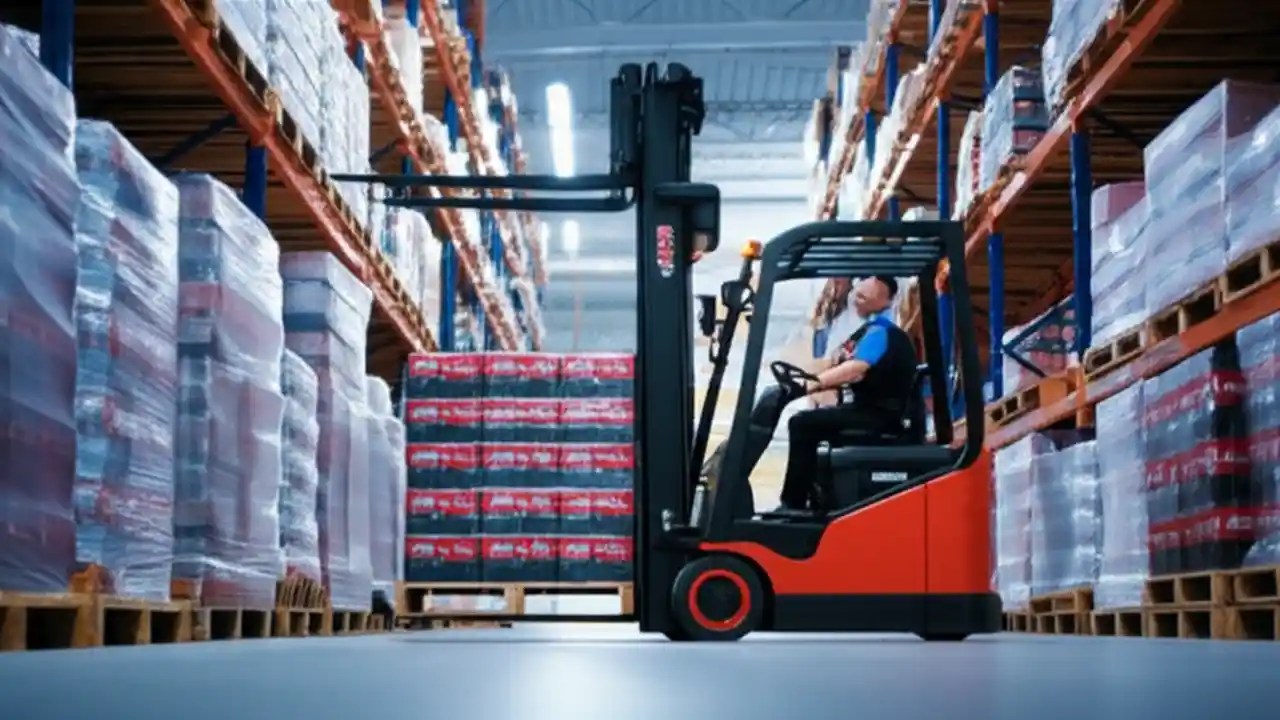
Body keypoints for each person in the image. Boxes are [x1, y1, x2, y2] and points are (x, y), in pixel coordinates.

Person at [772, 275, 918, 512]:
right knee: (812, 422)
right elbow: (837, 362)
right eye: (863, 282)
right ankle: (813, 494)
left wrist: (811, 385)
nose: (862, 287)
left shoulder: (881, 331)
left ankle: (793, 504)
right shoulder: (865, 330)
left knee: (801, 424)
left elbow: (855, 370)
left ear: (887, 300)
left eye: (873, 285)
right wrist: (803, 377)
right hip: (873, 411)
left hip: (879, 415)